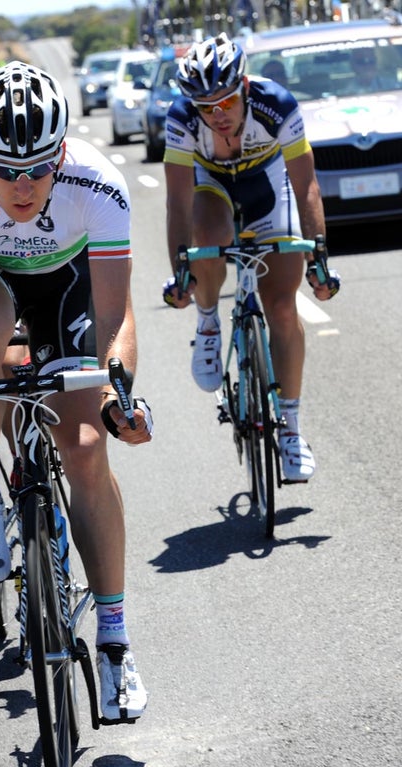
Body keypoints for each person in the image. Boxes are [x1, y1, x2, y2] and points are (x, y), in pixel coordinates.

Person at [0, 61, 153, 722]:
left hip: (68, 283)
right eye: (7, 170)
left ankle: (115, 643)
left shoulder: (97, 183)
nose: (24, 185)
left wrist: (117, 395)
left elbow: (115, 317)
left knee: (86, 448)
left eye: (40, 168)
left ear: (62, 152)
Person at [162, 33, 339, 482]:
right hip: (212, 188)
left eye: (226, 102)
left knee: (282, 306)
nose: (217, 115)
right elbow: (177, 203)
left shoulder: (276, 104)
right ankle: (208, 322)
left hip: (268, 186)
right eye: (206, 108)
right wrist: (180, 273)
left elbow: (306, 186)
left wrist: (319, 258)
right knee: (208, 233)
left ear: (244, 86)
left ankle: (292, 430)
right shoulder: (181, 119)